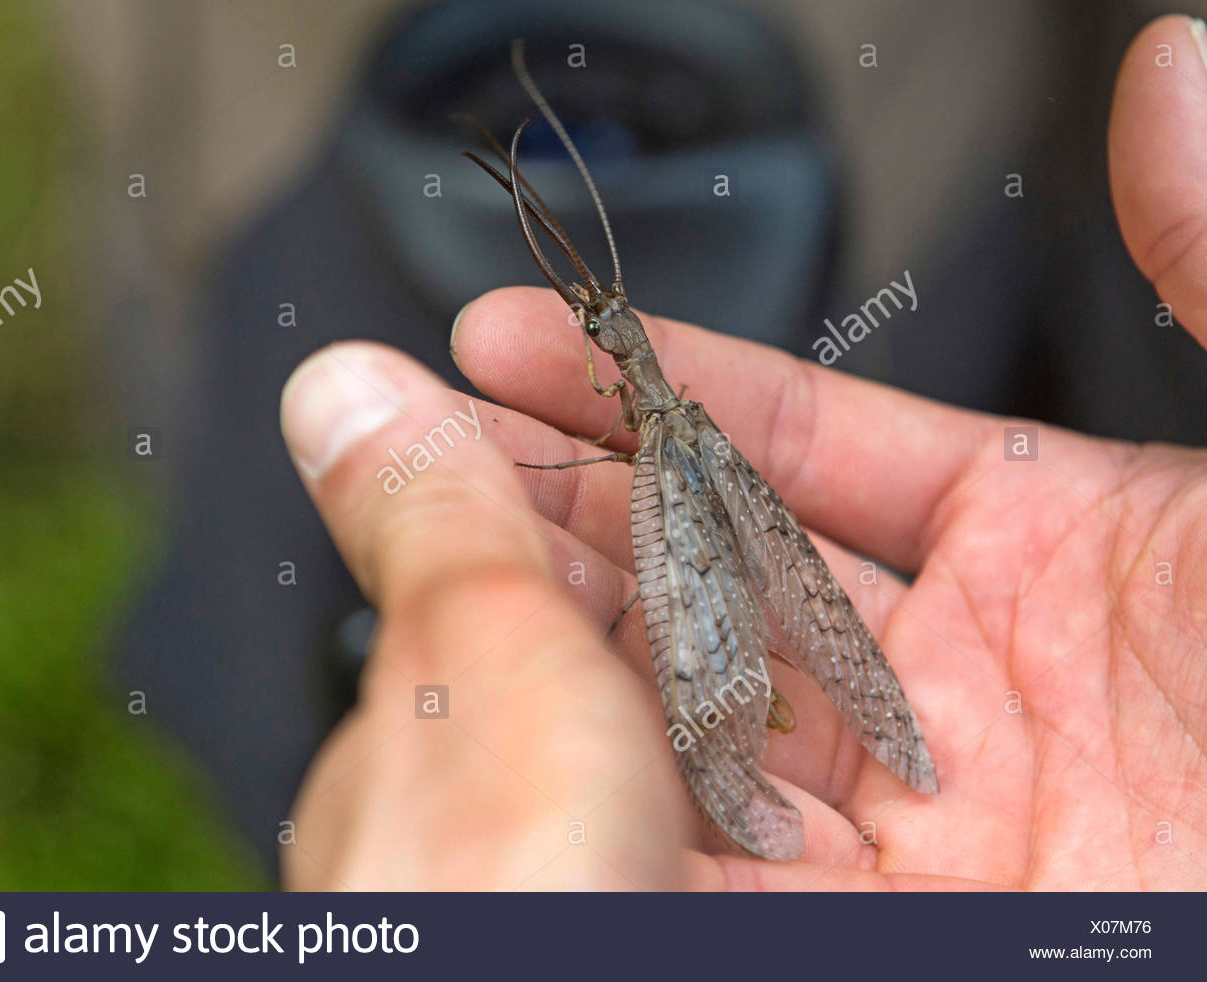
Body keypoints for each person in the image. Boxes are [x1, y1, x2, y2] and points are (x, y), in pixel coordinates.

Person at [276, 16, 1207, 890]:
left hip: (685, 486)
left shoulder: (639, 417)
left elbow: (616, 449)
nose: (604, 333)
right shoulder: (658, 406)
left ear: (614, 354)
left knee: (677, 583)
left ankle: (754, 734)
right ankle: (763, 721)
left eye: (605, 327)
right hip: (691, 470)